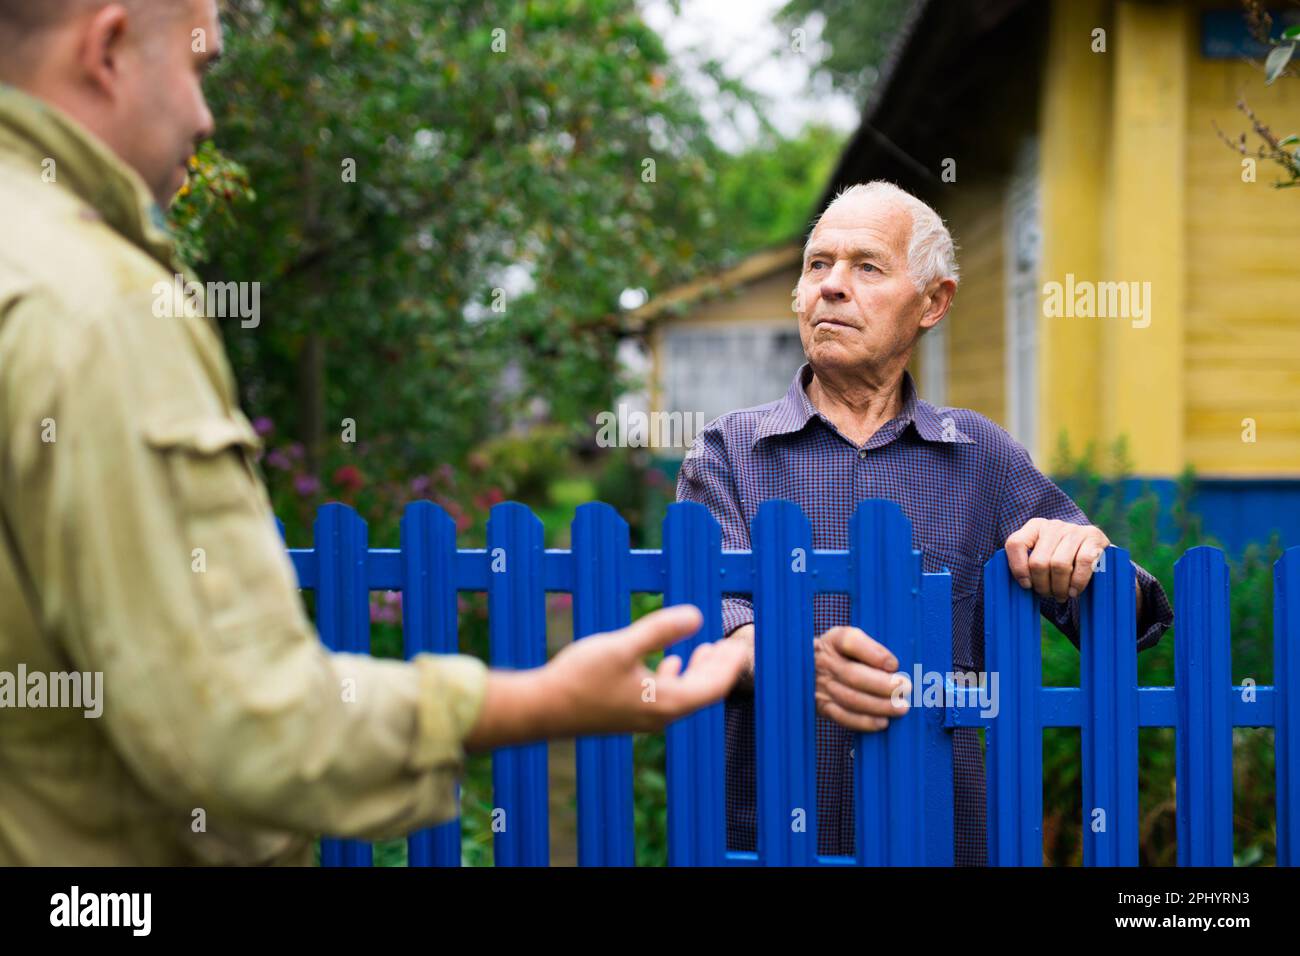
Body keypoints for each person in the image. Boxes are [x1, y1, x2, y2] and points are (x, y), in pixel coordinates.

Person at [0, 0, 746, 865]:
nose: (206, 117)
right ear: (110, 48)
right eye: (202, 66)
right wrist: (547, 702)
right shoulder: (96, 312)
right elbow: (238, 725)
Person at [676, 181, 1174, 864]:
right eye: (818, 264)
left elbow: (1124, 624)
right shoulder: (728, 451)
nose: (831, 287)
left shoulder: (982, 456)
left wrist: (1092, 556)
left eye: (867, 267)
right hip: (767, 838)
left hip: (942, 837)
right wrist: (799, 662)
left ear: (934, 302)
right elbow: (713, 623)